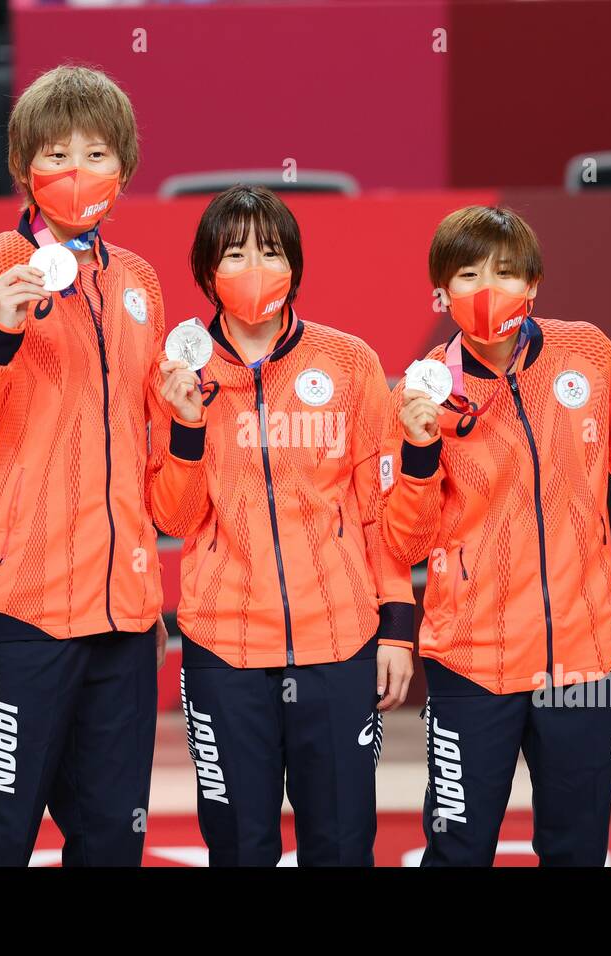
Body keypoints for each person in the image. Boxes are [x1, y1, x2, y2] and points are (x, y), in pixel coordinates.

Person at [0, 64, 167, 867]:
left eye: (96, 155)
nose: (77, 173)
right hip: (12, 611)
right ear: (24, 167)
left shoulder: (139, 285)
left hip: (123, 619)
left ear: (124, 169)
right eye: (56, 155)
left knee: (108, 844)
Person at [149, 185, 415, 866]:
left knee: (343, 843)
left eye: (269, 251)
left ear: (295, 262)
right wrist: (185, 428)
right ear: (207, 270)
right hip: (224, 652)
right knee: (241, 846)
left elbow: (377, 511)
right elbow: (173, 515)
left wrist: (396, 628)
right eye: (234, 253)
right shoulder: (178, 371)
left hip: (339, 645)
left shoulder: (349, 362)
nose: (254, 266)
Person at [380, 205, 611, 866]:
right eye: (468, 274)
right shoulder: (420, 392)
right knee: (458, 850)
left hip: (586, 658)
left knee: (577, 851)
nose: (489, 289)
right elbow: (404, 541)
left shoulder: (589, 354)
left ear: (535, 284)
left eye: (507, 272)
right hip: (471, 661)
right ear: (442, 290)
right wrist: (420, 451)